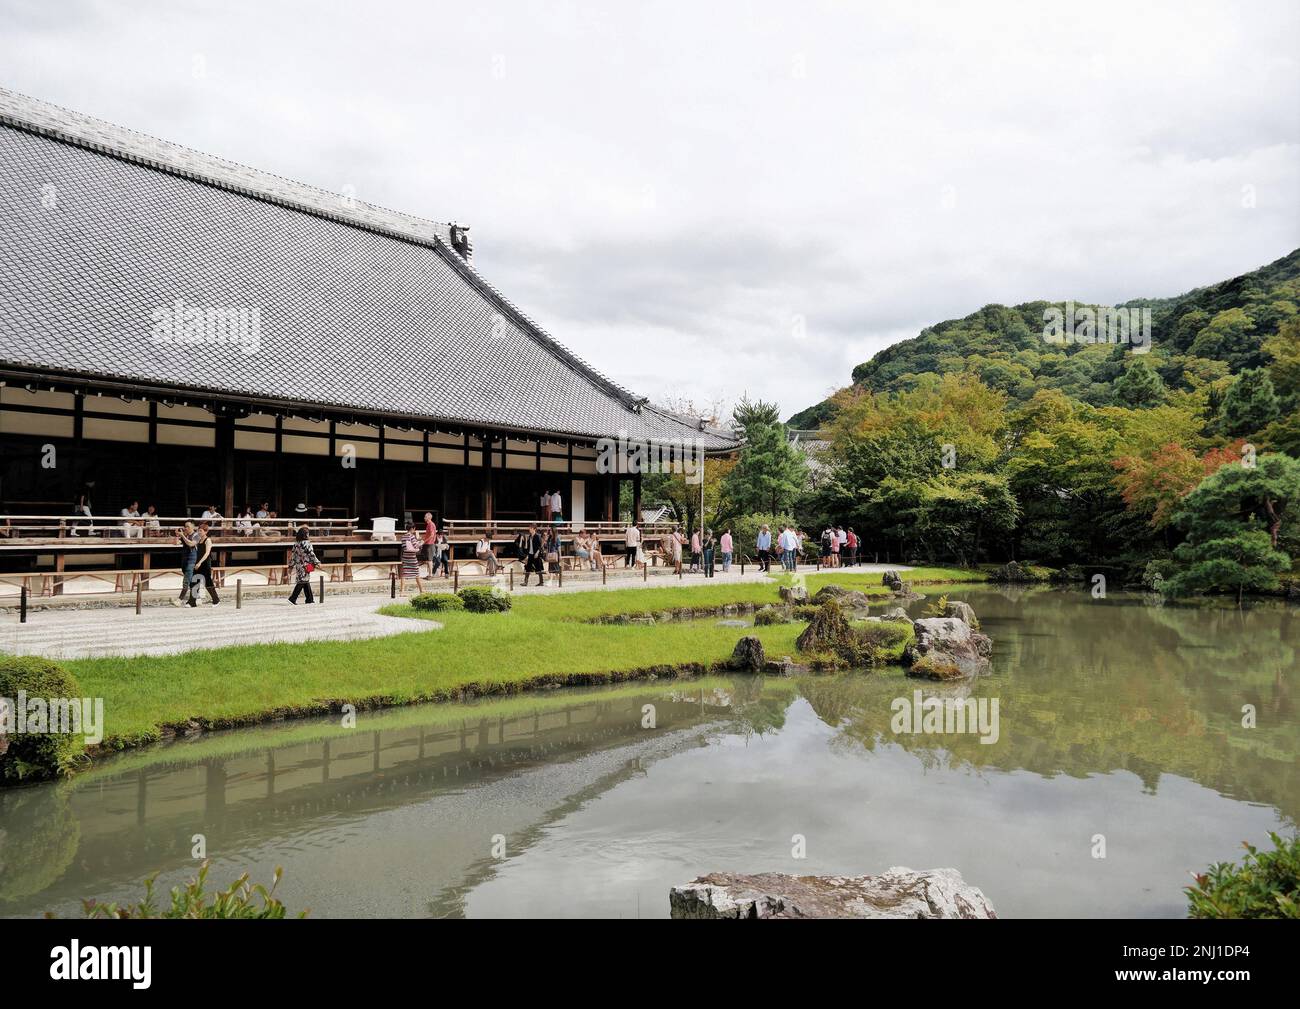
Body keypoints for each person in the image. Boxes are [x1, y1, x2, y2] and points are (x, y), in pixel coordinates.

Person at [288, 525, 320, 604]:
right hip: (306, 565)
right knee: (302, 581)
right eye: (308, 533)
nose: (308, 535)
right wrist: (317, 562)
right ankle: (293, 598)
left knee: (305, 581)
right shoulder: (307, 543)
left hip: (299, 565)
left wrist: (291, 565)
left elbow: (293, 556)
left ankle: (309, 599)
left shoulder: (296, 544)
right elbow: (311, 554)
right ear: (305, 535)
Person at [190, 521, 220, 606]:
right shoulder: (198, 540)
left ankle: (216, 600)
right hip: (198, 562)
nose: (199, 532)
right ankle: (192, 602)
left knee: (208, 582)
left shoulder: (208, 540)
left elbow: (207, 553)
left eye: (201, 531)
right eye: (198, 530)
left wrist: (199, 562)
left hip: (205, 563)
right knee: (195, 581)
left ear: (206, 531)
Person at [173, 521, 198, 606]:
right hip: (184, 560)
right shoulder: (185, 536)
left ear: (193, 527)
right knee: (190, 580)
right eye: (185, 526)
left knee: (186, 580)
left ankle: (179, 600)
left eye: (188, 526)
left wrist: (182, 535)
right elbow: (176, 543)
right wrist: (177, 535)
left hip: (192, 560)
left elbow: (191, 544)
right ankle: (197, 598)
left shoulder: (196, 535)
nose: (185, 528)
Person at [399, 522, 425, 595]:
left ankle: (402, 592)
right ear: (412, 528)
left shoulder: (403, 536)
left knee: (404, 574)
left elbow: (404, 546)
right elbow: (416, 546)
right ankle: (421, 590)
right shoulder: (412, 536)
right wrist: (421, 542)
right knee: (416, 573)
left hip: (405, 557)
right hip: (412, 557)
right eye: (414, 528)